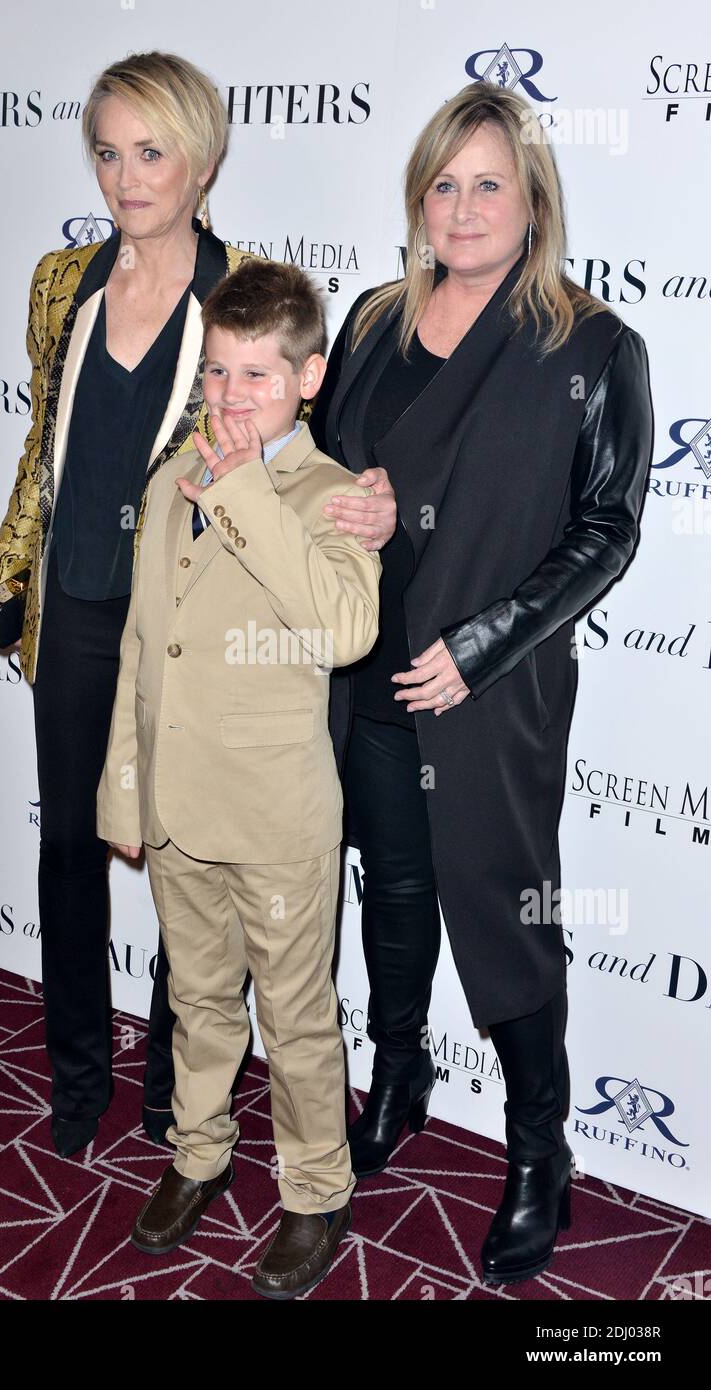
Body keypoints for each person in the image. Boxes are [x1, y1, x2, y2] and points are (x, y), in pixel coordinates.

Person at [307, 81, 654, 1286]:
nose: (461, 207)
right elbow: (320, 471)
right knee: (389, 892)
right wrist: (348, 503)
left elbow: (607, 528)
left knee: (508, 922)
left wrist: (486, 640)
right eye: (441, 183)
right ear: (416, 199)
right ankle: (397, 1082)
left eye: (486, 182)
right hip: (362, 663)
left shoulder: (591, 343)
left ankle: (534, 1154)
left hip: (487, 689)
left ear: (532, 200)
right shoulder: (367, 321)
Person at [0, 50, 281, 1159]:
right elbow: (43, 445)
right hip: (73, 606)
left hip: (185, 628)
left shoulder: (253, 296)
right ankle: (75, 1080)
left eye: (150, 152)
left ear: (201, 160)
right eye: (107, 153)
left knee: (187, 864)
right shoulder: (60, 280)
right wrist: (9, 572)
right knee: (69, 847)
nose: (125, 177)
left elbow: (277, 472)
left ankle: (172, 1081)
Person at [96, 258, 381, 1298]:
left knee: (296, 1017)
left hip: (274, 820)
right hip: (178, 807)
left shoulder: (334, 496)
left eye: (258, 376)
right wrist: (125, 790)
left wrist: (249, 486)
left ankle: (314, 1191)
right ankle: (197, 1157)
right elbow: (143, 647)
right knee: (200, 1004)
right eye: (216, 373)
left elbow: (344, 630)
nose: (229, 399)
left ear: (309, 379)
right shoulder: (172, 475)